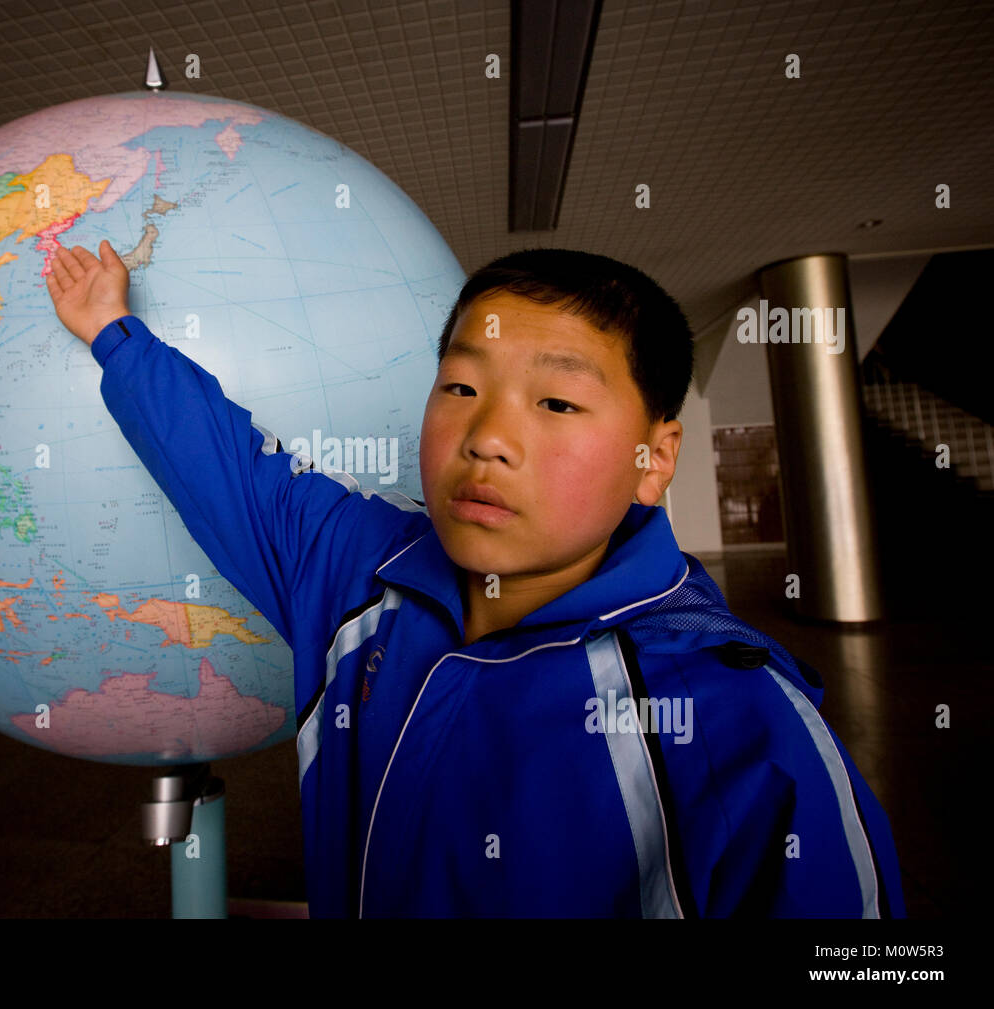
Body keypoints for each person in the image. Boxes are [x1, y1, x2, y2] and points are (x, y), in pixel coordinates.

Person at [46, 240, 905, 918]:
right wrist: (111, 331)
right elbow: (227, 464)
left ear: (657, 457)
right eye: (460, 384)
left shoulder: (740, 722)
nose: (487, 434)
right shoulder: (356, 571)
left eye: (557, 403)